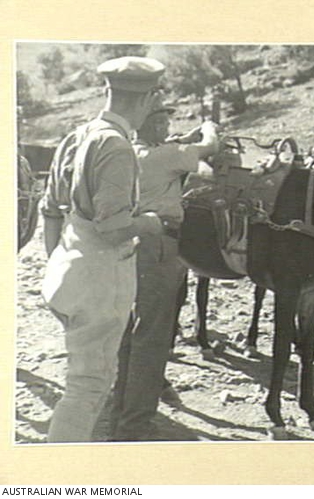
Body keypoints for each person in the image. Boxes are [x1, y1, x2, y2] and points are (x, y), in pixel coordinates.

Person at [40, 56, 166, 443]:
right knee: (87, 388)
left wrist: (60, 266)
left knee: (86, 380)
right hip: (100, 283)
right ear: (149, 99)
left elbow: (51, 209)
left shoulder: (78, 135)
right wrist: (149, 222)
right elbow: (112, 229)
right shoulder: (116, 146)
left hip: (69, 271)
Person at [110, 97, 220, 441]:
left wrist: (183, 141)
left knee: (131, 335)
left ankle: (120, 415)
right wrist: (209, 128)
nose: (168, 128)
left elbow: (177, 149)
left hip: (132, 243)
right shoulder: (166, 155)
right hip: (160, 245)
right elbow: (209, 147)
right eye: (161, 122)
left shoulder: (134, 152)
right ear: (149, 124)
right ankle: (135, 426)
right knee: (153, 339)